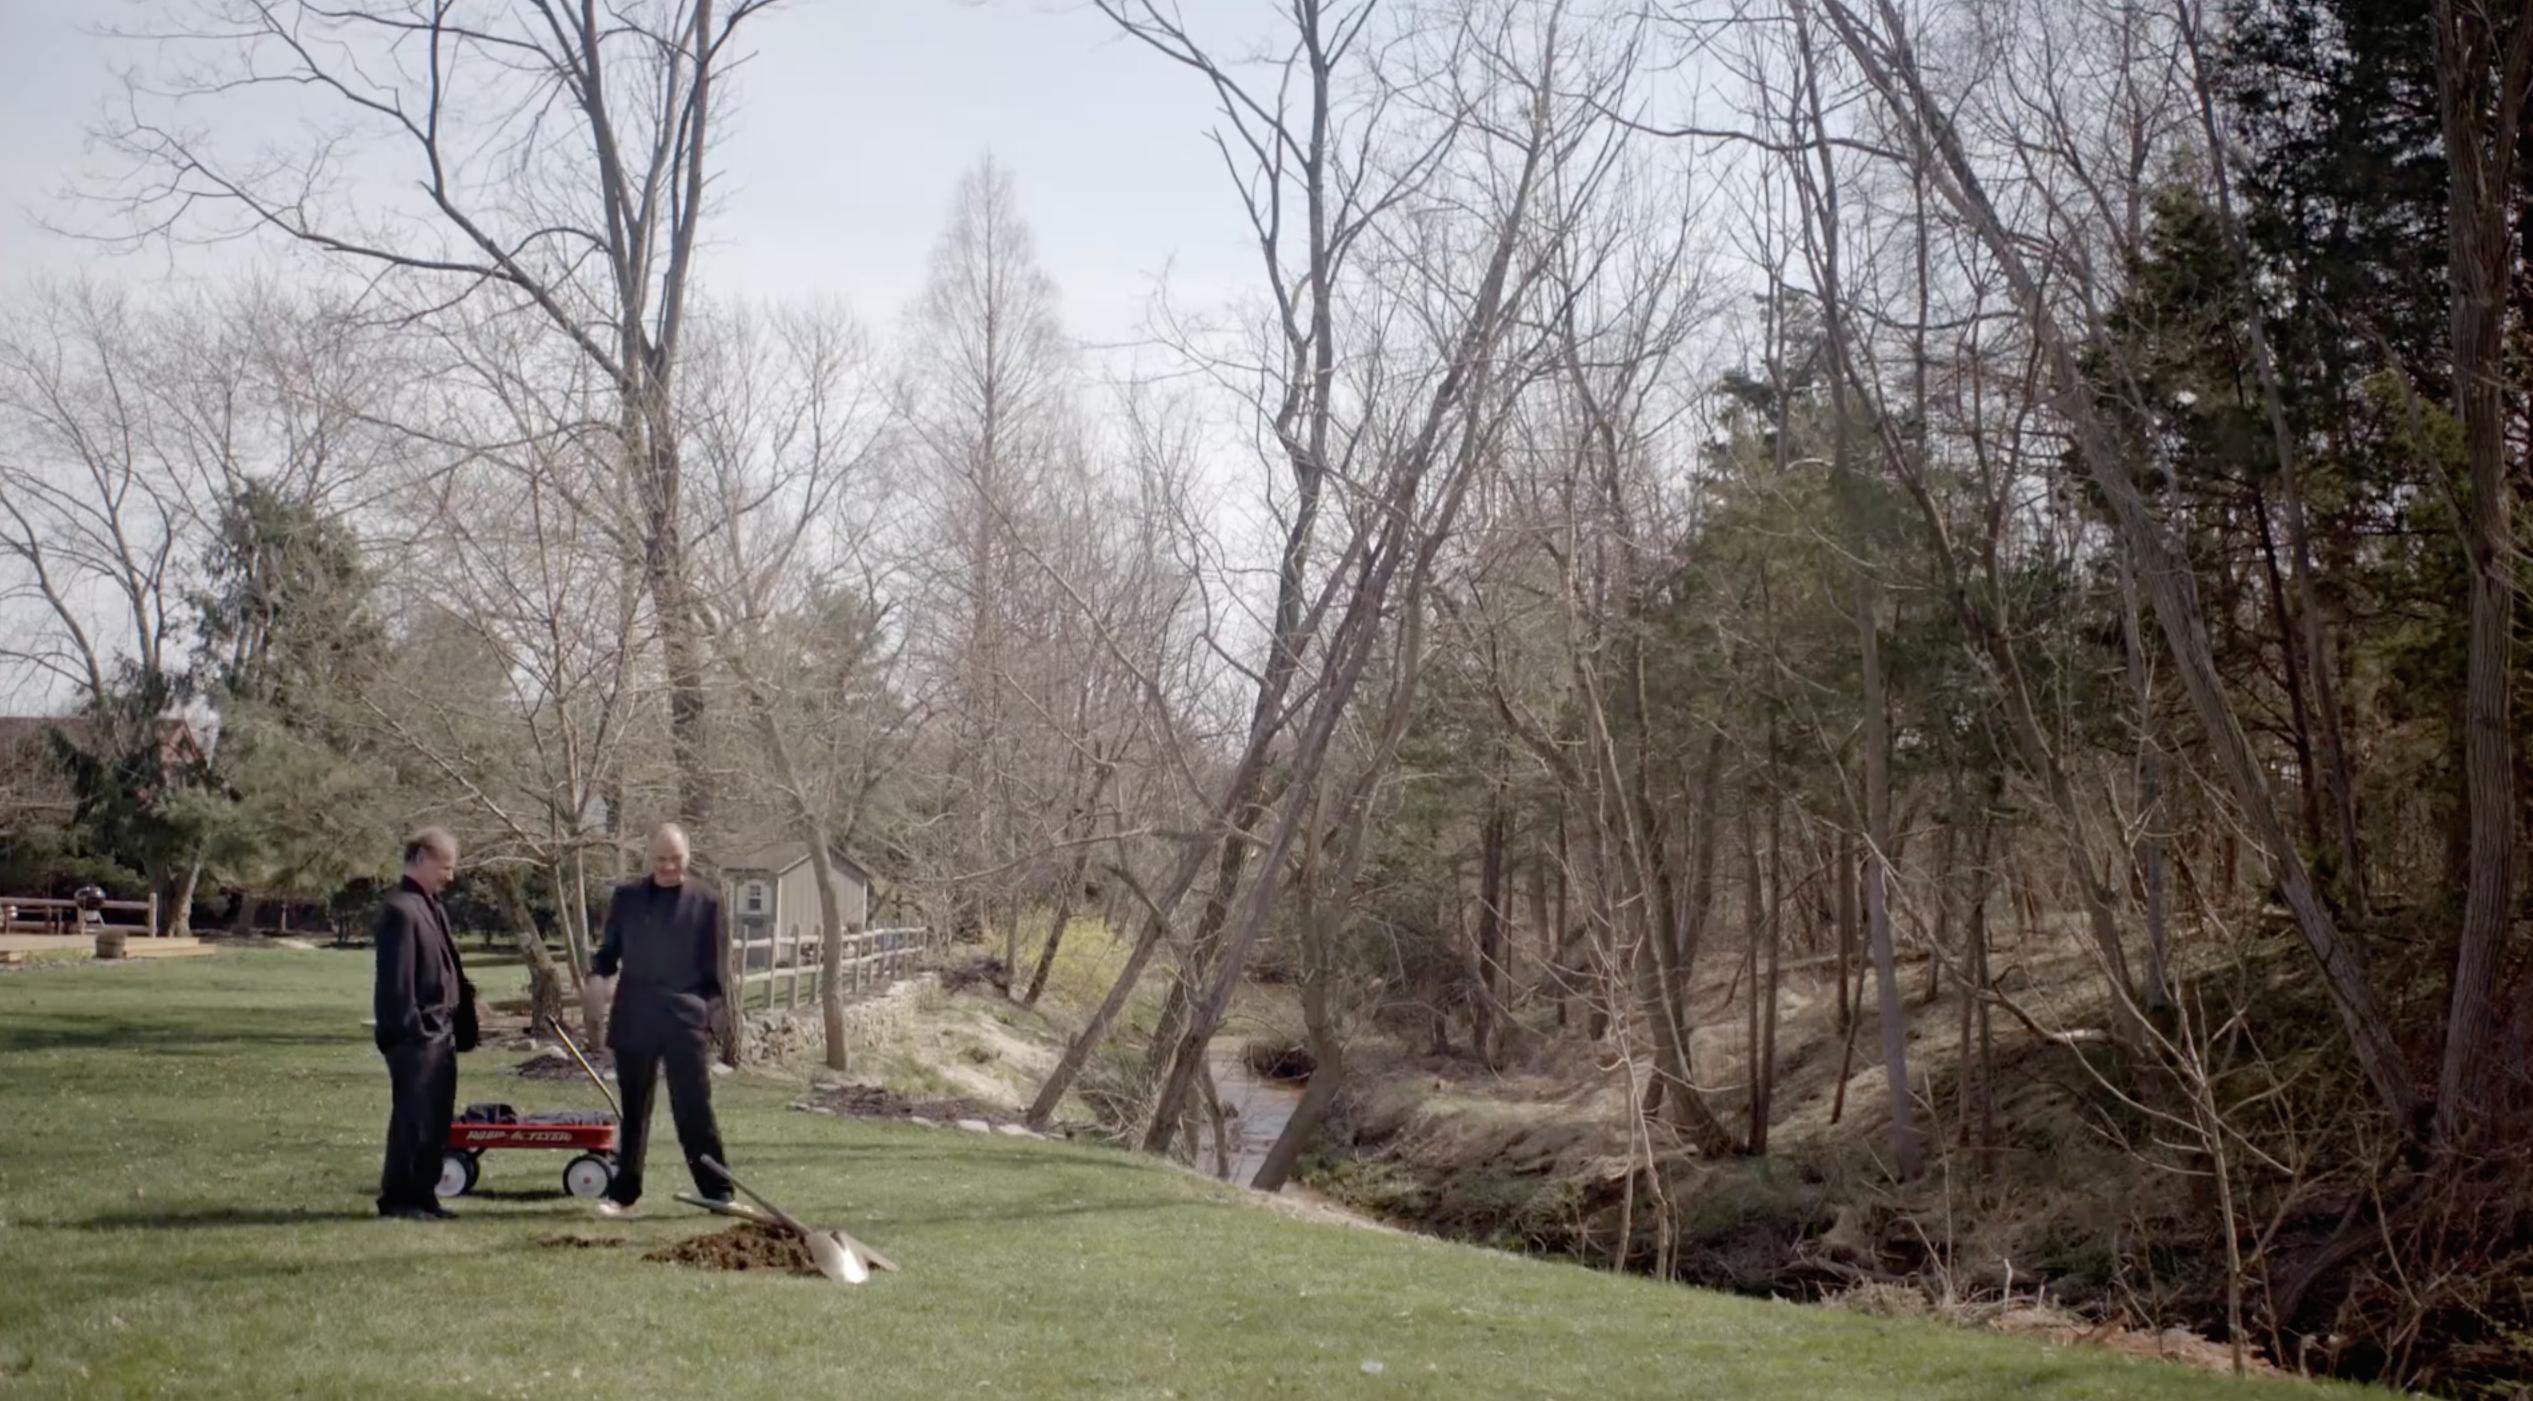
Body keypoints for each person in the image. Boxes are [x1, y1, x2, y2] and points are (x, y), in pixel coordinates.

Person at [587, 822, 732, 1217]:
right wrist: (597, 977)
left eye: (676, 859)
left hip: (686, 1020)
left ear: (688, 856)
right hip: (634, 1016)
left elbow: (717, 974)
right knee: (634, 1110)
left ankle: (717, 1190)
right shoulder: (628, 898)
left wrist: (708, 1022)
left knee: (694, 1109)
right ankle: (623, 1193)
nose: (668, 867)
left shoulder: (708, 902)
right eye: (661, 860)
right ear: (649, 858)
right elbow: (608, 951)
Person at [372, 828, 476, 1220]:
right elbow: (396, 984)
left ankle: (424, 1194)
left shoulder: (432, 906)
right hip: (416, 1037)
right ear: (420, 859)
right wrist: (411, 1033)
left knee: (435, 1121)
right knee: (412, 1120)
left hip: (442, 1034)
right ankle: (398, 1199)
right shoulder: (400, 910)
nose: (450, 876)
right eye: (444, 867)